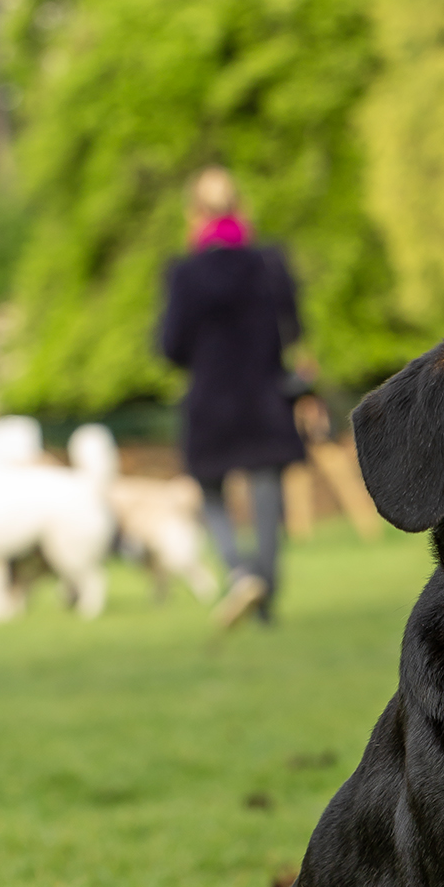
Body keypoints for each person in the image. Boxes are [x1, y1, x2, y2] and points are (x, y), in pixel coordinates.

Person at [159, 167, 306, 626]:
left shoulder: (183, 274)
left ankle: (240, 573)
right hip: (263, 395)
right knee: (265, 496)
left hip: (210, 402)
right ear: (240, 208)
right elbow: (295, 329)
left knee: (210, 492)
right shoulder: (269, 263)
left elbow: (171, 347)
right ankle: (264, 595)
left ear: (195, 214)